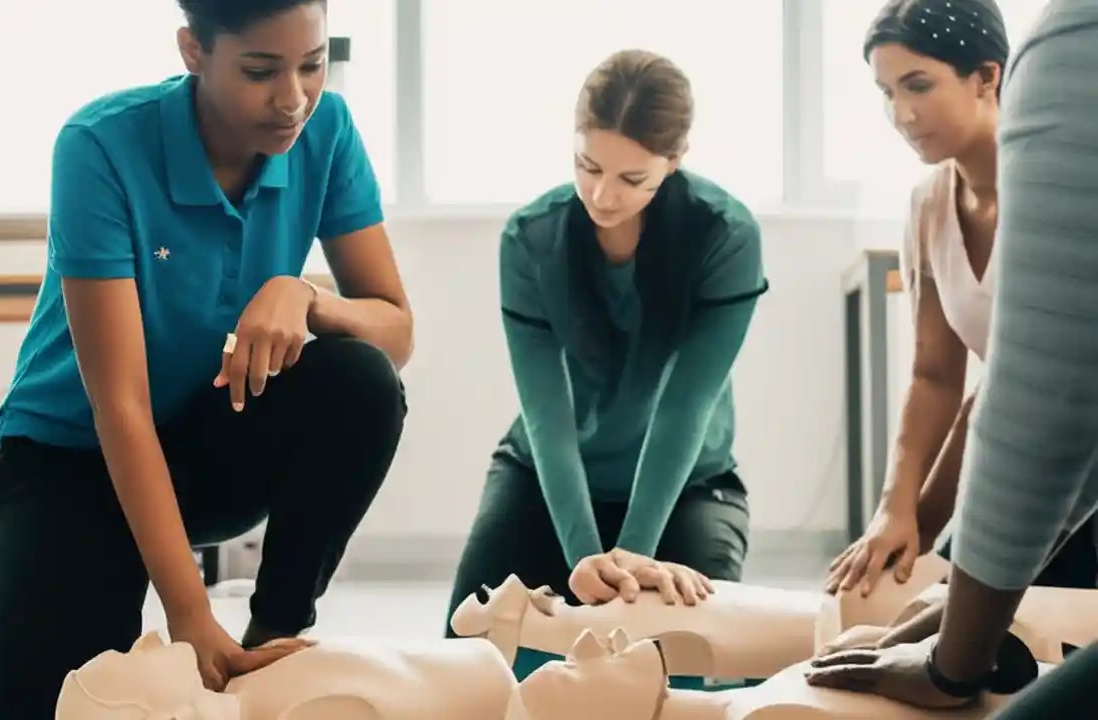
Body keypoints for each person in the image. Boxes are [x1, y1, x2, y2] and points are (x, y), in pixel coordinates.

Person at [0, 0, 413, 716]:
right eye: (260, 70)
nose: (294, 97)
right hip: (71, 463)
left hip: (209, 449)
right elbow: (119, 404)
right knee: (49, 706)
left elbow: (395, 329)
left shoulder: (327, 130)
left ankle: (274, 635)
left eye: (313, 63)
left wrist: (303, 296)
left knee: (361, 379)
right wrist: (189, 614)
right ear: (193, 50)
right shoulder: (100, 144)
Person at [807, 0, 1098, 710]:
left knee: (1002, 631)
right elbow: (939, 375)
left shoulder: (1062, 146)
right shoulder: (929, 203)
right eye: (885, 93)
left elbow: (1038, 393)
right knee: (905, 599)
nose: (901, 113)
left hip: (1064, 463)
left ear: (987, 77)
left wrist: (953, 639)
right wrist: (899, 514)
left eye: (918, 85)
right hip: (1025, 454)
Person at [446, 49, 768, 632]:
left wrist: (633, 555)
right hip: (548, 475)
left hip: (690, 483)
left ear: (674, 161)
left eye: (631, 178)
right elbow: (547, 415)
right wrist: (584, 559)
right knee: (469, 640)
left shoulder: (726, 236)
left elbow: (685, 406)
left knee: (694, 647)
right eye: (587, 166)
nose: (602, 195)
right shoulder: (529, 239)